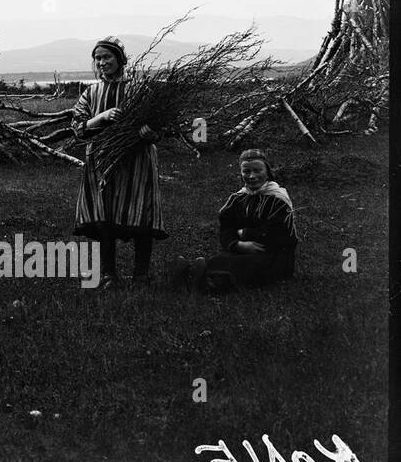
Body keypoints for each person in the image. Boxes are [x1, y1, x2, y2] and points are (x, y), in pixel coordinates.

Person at [71, 35, 166, 288]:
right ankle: (108, 275)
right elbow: (78, 129)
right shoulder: (90, 93)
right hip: (101, 161)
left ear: (120, 59)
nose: (102, 62)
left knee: (140, 213)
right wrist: (101, 117)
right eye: (98, 58)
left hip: (136, 160)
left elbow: (159, 127)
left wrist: (150, 133)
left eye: (107, 57)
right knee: (104, 217)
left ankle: (141, 275)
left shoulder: (139, 90)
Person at [171, 150, 297, 292]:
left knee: (242, 266)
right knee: (219, 260)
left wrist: (245, 233)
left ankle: (201, 282)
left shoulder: (278, 199)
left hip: (272, 254)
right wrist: (236, 244)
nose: (252, 176)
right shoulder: (238, 199)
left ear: (267, 171)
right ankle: (188, 277)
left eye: (257, 170)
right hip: (242, 250)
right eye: (246, 171)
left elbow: (278, 233)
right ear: (241, 173)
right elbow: (226, 229)